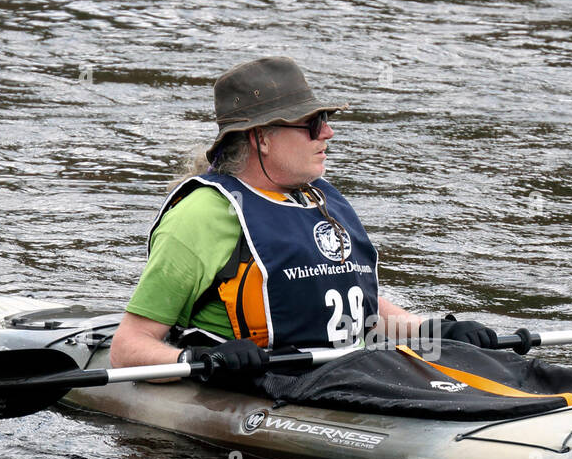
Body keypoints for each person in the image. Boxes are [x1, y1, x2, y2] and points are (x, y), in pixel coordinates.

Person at [110, 56, 498, 381]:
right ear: (261, 137)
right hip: (260, 386)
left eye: (325, 119)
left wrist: (435, 331)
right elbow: (127, 347)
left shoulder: (316, 197)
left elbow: (357, 312)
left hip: (345, 374)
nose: (327, 132)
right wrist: (196, 362)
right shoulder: (201, 216)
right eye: (312, 124)